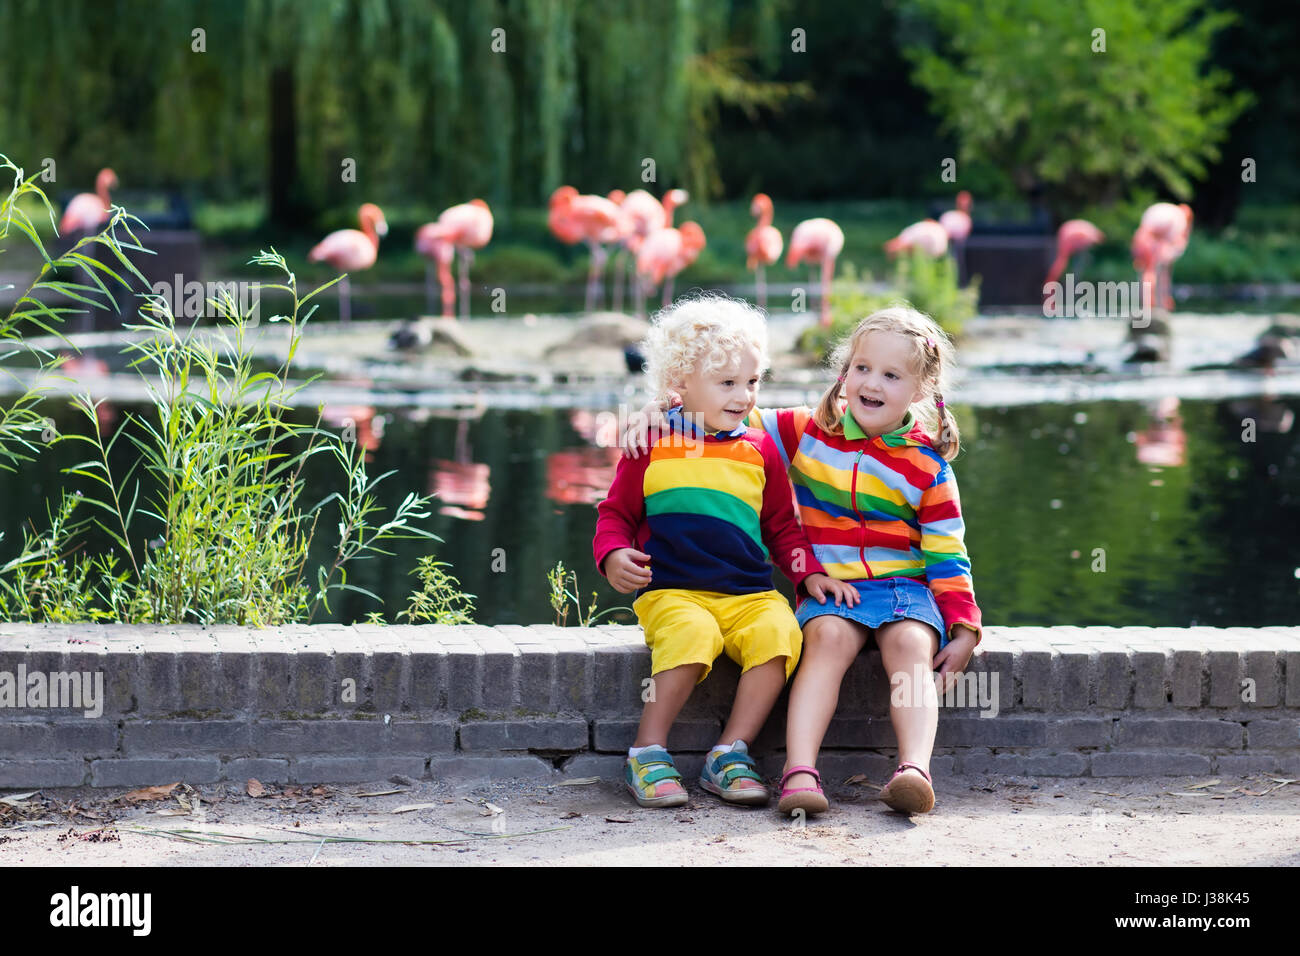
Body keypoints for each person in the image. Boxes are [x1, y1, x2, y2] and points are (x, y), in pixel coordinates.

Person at [626, 305, 983, 815]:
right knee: (826, 639)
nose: (871, 383)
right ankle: (800, 770)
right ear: (844, 372)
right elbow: (725, 410)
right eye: (862, 368)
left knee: (910, 646)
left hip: (905, 589)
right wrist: (661, 410)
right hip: (831, 589)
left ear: (921, 390)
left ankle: (912, 770)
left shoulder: (928, 466)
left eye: (890, 375)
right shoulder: (808, 430)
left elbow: (948, 555)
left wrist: (964, 625)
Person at [594, 293, 855, 809]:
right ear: (681, 384)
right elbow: (614, 514)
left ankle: (730, 752)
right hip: (672, 591)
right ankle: (646, 750)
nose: (743, 395)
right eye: (727, 382)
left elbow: (782, 526)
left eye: (753, 382)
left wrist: (807, 575)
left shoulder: (758, 448)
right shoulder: (650, 442)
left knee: (781, 633)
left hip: (747, 592)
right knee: (693, 633)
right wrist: (613, 556)